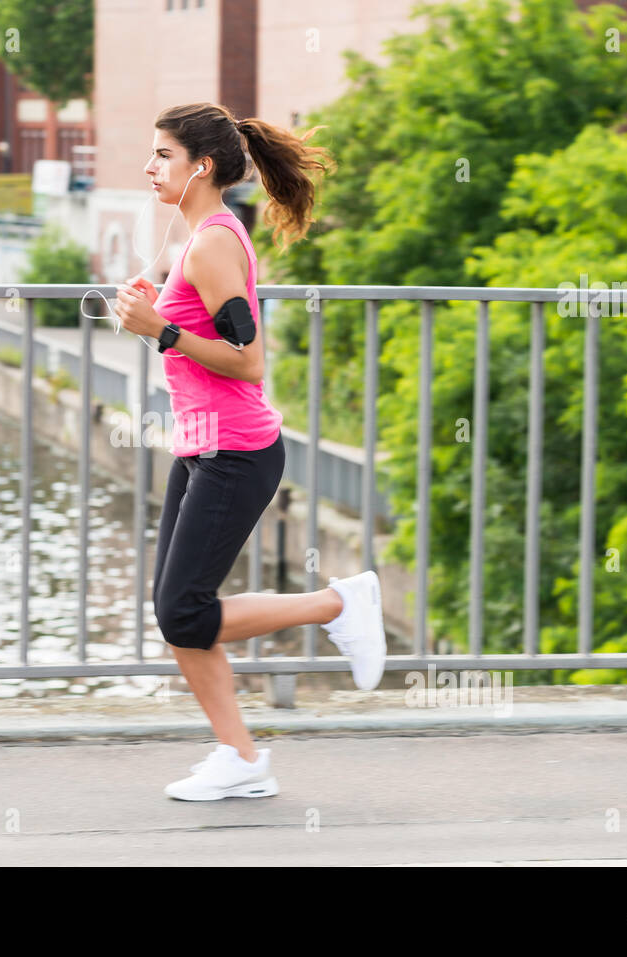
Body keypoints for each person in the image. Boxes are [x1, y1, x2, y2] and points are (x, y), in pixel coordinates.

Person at [111, 102, 387, 802]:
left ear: (200, 166)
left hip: (236, 450)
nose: (149, 167)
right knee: (175, 609)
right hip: (202, 446)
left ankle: (338, 603)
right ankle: (238, 756)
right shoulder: (202, 238)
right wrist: (160, 313)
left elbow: (248, 360)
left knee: (184, 611)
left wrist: (160, 331)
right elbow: (209, 327)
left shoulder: (211, 244)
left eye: (162, 155)